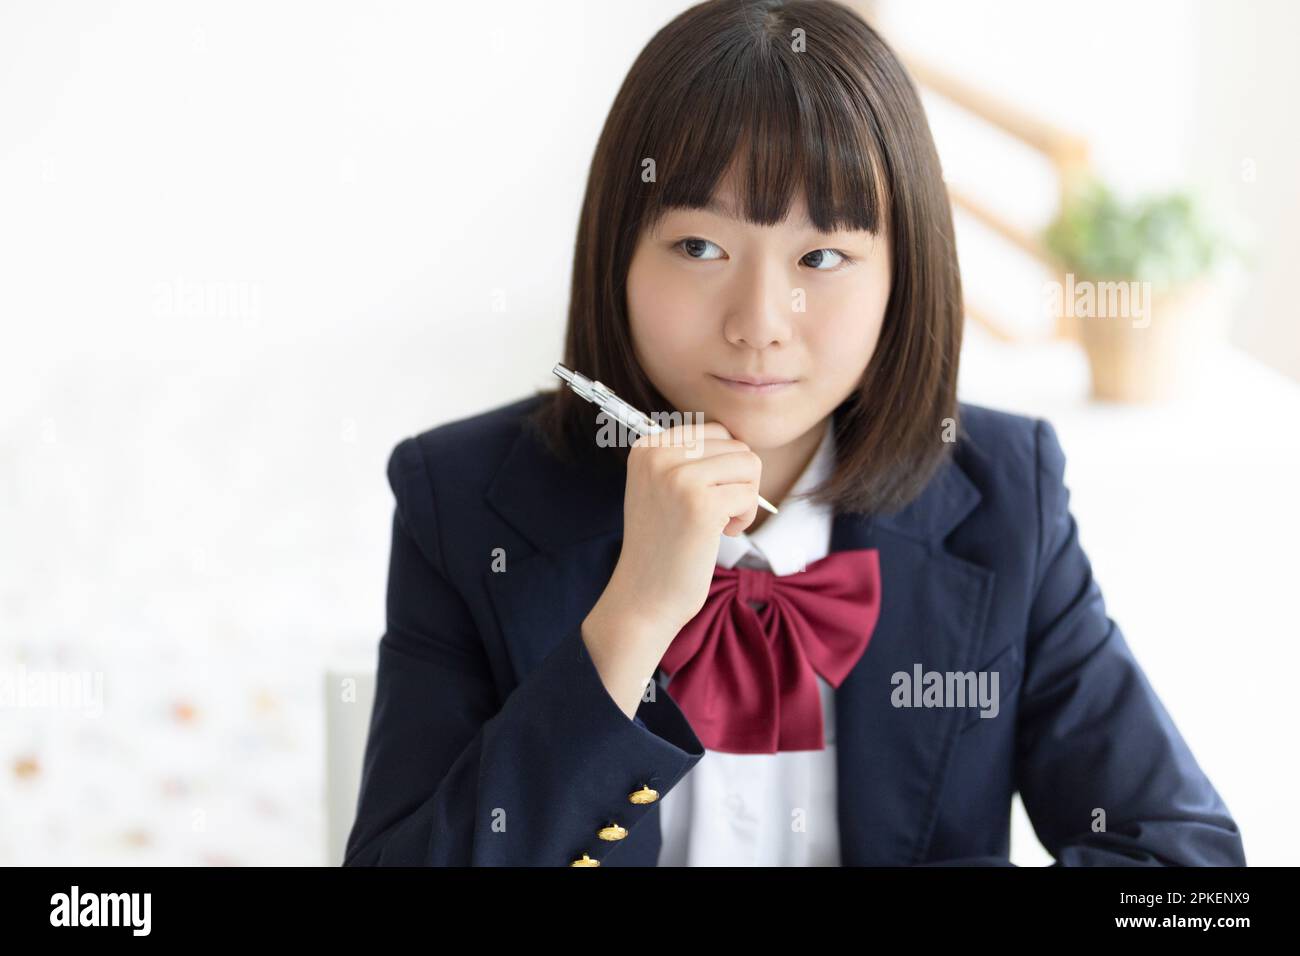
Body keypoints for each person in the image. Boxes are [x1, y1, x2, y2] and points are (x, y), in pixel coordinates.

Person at [343, 0, 1245, 867]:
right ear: (616, 251)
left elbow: (1189, 871)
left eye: (823, 257)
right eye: (699, 247)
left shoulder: (1009, 496)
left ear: (905, 272)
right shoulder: (460, 501)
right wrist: (634, 617)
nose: (760, 321)